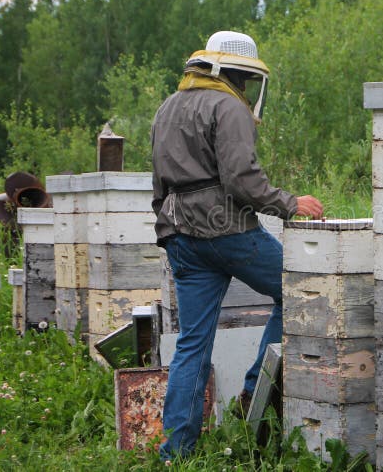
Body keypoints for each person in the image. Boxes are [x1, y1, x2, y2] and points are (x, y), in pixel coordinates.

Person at [150, 30, 323, 460]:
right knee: (300, 290)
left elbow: (158, 186)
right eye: (244, 79)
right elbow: (241, 179)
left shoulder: (167, 107)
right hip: (227, 231)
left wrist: (171, 229)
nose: (245, 89)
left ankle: (177, 454)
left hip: (181, 236)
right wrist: (289, 203)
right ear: (234, 73)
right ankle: (256, 392)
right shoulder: (229, 106)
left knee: (192, 343)